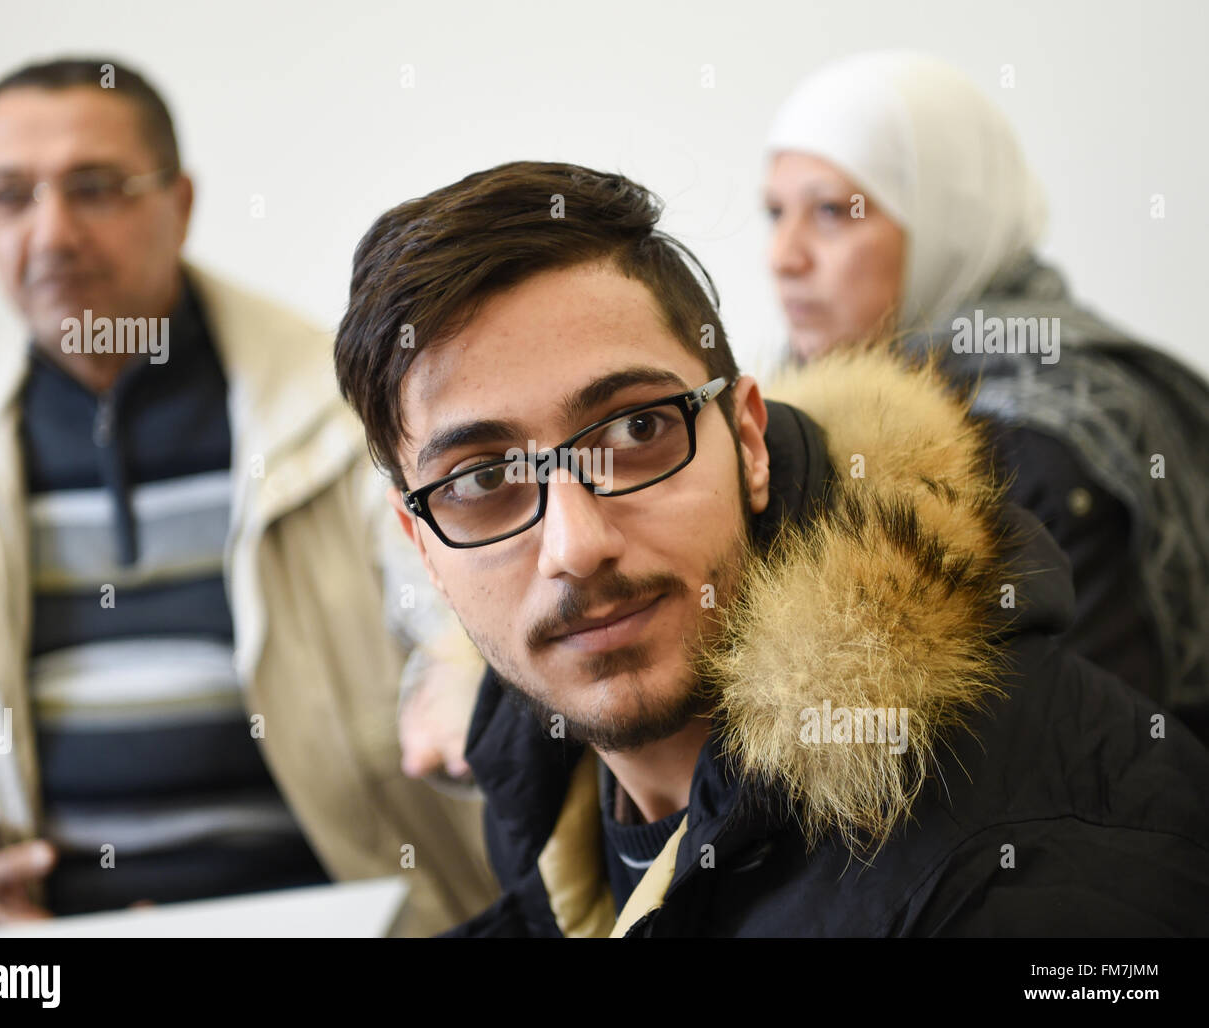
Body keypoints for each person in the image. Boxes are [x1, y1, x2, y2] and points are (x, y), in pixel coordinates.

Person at [332, 159, 1209, 937]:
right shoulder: (545, 789)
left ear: (746, 439)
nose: (577, 543)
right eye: (484, 482)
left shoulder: (1034, 865)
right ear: (422, 543)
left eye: (637, 428)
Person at [0, 57, 497, 935]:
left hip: (343, 914)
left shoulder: (334, 407)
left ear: (180, 202)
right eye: (8, 196)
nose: (51, 234)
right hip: (44, 949)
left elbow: (456, 608)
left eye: (95, 188)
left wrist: (457, 675)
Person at [763, 51, 1209, 738]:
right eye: (774, 213)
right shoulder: (798, 422)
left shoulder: (1045, 441)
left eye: (831, 211)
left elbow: (1077, 778)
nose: (784, 257)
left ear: (949, 221)